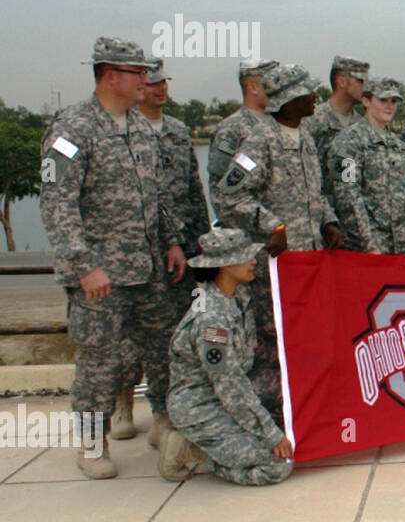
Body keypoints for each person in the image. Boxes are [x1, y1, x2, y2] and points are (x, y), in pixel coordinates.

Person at [39, 36, 188, 478]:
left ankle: (165, 424)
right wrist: (84, 265)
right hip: (101, 276)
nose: (146, 79)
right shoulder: (71, 129)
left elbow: (157, 196)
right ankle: (91, 444)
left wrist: (174, 242)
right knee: (101, 363)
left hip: (149, 269)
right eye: (137, 72)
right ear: (109, 75)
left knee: (165, 351)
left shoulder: (140, 127)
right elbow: (57, 203)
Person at [214, 63, 345, 421]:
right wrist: (272, 224)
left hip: (310, 262)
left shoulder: (304, 138)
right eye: (307, 92)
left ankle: (308, 411)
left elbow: (314, 194)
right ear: (288, 100)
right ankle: (269, 421)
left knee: (310, 338)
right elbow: (229, 197)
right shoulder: (260, 140)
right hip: (275, 266)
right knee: (271, 346)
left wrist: (329, 221)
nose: (315, 97)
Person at [111, 61, 211, 442]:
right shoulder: (118, 129)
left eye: (162, 82)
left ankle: (164, 414)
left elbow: (191, 187)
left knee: (167, 333)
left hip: (176, 247)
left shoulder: (178, 131)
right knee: (123, 339)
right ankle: (121, 403)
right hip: (125, 253)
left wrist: (199, 237)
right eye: (151, 82)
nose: (159, 88)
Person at [161, 227, 294, 485]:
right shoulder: (212, 321)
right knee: (276, 464)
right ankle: (196, 453)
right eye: (246, 257)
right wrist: (271, 435)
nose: (254, 261)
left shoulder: (237, 296)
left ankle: (212, 445)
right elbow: (229, 384)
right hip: (202, 406)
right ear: (224, 265)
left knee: (288, 421)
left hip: (227, 397)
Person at [328, 77, 405, 255]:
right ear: (366, 101)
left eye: (394, 101)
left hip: (401, 245)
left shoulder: (401, 147)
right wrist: (368, 243)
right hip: (367, 247)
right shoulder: (348, 142)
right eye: (382, 100)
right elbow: (347, 195)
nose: (390, 106)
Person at [303, 54, 369, 205]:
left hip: (355, 211)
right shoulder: (313, 121)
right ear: (342, 82)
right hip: (322, 213)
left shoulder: (362, 125)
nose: (366, 87)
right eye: (360, 81)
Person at [208, 59, 278, 193]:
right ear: (253, 88)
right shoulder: (231, 129)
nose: (277, 88)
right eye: (271, 82)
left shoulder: (279, 123)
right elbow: (221, 189)